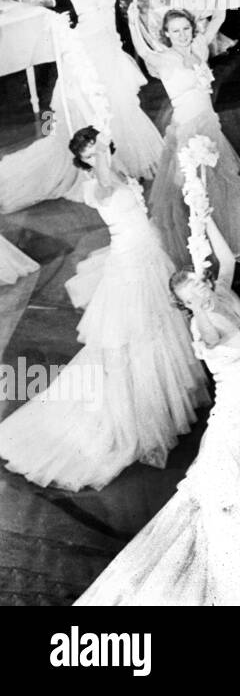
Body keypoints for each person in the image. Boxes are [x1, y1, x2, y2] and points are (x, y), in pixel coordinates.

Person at [76, 213, 240, 605]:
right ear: (184, 304)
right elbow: (211, 332)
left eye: (197, 283)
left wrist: (206, 216)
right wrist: (197, 307)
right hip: (235, 410)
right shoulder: (202, 325)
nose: (198, 291)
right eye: (188, 295)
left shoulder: (226, 296)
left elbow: (226, 262)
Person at [0, 127, 209, 491]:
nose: (97, 149)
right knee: (134, 337)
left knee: (160, 327)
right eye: (89, 148)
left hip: (148, 257)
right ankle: (132, 414)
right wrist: (101, 160)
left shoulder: (118, 173)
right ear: (83, 157)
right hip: (130, 268)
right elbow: (107, 184)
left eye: (97, 143)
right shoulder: (98, 185)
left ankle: (162, 395)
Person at [0, 0, 162, 213]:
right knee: (90, 102)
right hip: (88, 48)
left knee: (120, 101)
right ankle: (96, 161)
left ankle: (122, 156)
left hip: (111, 47)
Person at [127, 4, 240, 271]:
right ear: (166, 34)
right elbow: (141, 49)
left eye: (186, 29)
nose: (182, 35)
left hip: (210, 126)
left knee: (224, 185)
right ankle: (200, 248)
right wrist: (130, 21)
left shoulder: (199, 48)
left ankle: (231, 243)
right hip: (187, 131)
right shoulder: (163, 59)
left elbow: (218, 17)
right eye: (175, 31)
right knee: (193, 190)